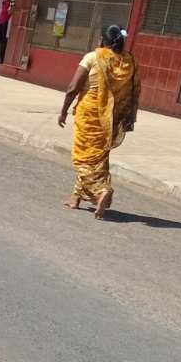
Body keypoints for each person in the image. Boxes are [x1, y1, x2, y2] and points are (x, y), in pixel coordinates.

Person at [58, 24, 139, 220]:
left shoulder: (93, 57)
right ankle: (75, 198)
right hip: (111, 118)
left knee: (83, 157)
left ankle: (102, 190)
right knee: (97, 158)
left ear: (102, 40)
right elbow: (133, 91)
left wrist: (63, 111)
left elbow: (72, 87)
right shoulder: (129, 61)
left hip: (89, 115)